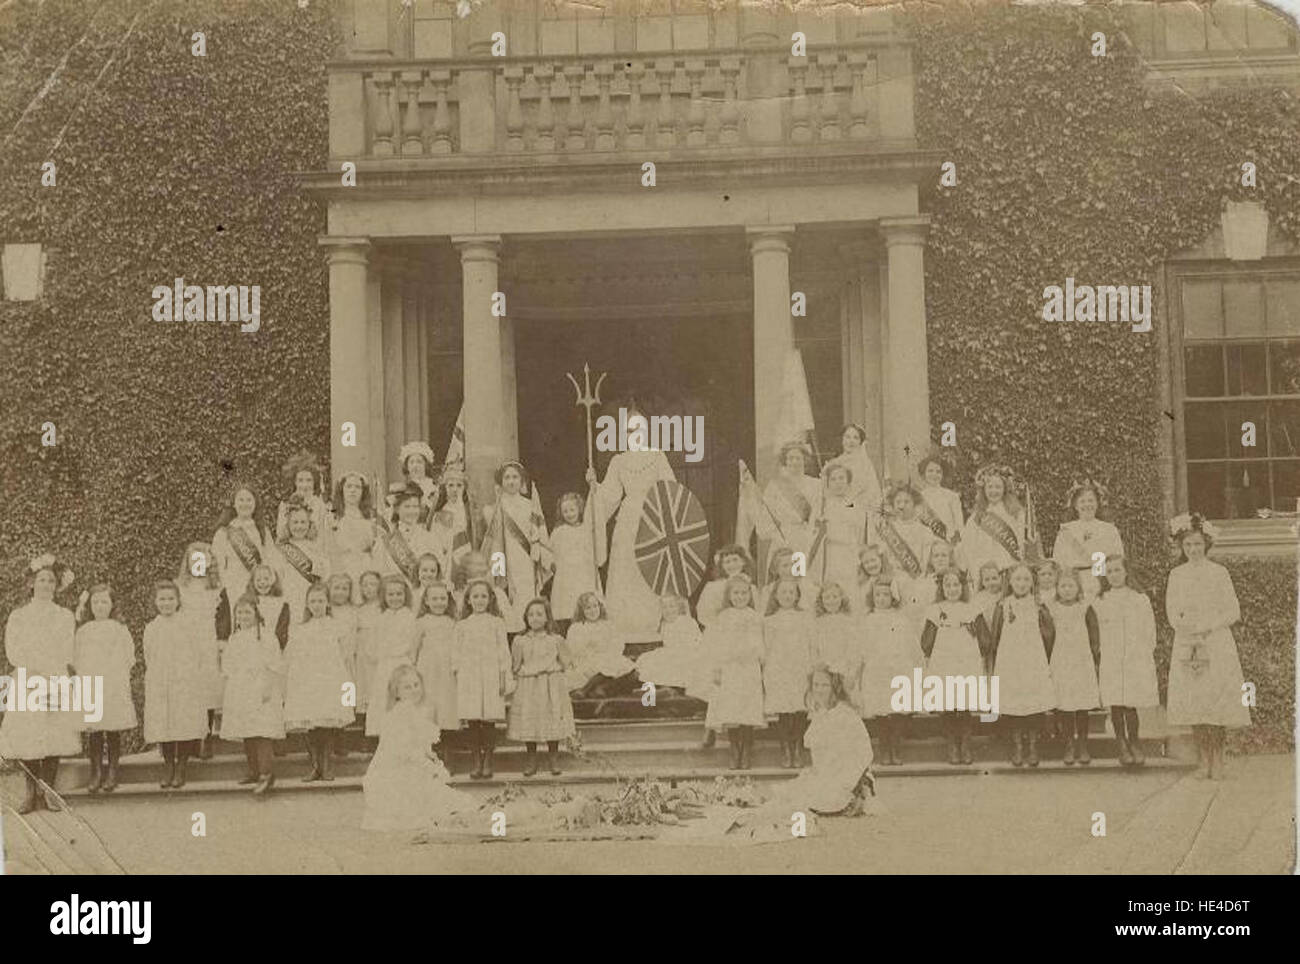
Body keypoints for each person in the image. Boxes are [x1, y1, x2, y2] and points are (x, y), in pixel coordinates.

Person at [1164, 515, 1249, 779]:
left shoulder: (1219, 572)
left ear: (1206, 545)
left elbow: (1233, 610)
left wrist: (1208, 626)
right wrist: (1187, 627)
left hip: (1216, 640)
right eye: (1188, 545)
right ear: (1182, 547)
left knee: (1216, 699)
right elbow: (1171, 612)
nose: (1193, 550)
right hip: (1188, 642)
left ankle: (1219, 759)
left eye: (1197, 544)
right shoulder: (1176, 574)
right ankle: (1203, 760)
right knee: (1195, 700)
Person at [585, 404, 677, 636]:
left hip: (653, 517)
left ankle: (654, 624)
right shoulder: (618, 461)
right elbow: (609, 496)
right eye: (629, 430)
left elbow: (669, 489)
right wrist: (594, 487)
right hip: (627, 519)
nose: (634, 433)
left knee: (650, 569)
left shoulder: (657, 456)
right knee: (626, 567)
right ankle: (625, 627)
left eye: (639, 428)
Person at [1, 554, 80, 813]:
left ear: (56, 586)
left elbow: (66, 648)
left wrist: (51, 673)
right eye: (42, 580)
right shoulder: (19, 615)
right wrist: (33, 671)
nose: (46, 584)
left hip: (54, 677)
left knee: (52, 734)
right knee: (29, 735)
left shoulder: (64, 616)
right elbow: (14, 648)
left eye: (51, 581)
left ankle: (48, 791)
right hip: (27, 679)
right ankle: (30, 791)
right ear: (32, 584)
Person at [362, 665, 476, 832]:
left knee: (447, 799)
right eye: (407, 687)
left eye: (416, 685)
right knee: (428, 806)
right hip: (397, 772)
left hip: (412, 765)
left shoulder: (415, 712)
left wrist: (433, 760)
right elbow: (406, 752)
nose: (414, 690)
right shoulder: (400, 714)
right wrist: (430, 768)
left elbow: (420, 746)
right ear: (396, 692)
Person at [283, 582, 354, 782]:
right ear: (307, 604)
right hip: (307, 681)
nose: (317, 605)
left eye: (321, 601)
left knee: (327, 722)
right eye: (313, 601)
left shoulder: (337, 626)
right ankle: (315, 765)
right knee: (310, 723)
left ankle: (327, 764)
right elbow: (293, 657)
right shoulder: (300, 629)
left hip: (330, 678)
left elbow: (345, 656)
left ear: (328, 602)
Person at [989, 564, 1056, 767]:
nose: (1022, 584)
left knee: (1033, 703)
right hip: (1010, 660)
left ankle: (1033, 745)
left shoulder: (1039, 605)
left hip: (1033, 660)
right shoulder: (1003, 605)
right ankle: (1017, 745)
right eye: (1017, 579)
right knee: (1014, 704)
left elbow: (1049, 634)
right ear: (1009, 582)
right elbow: (996, 635)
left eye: (1026, 579)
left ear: (1032, 583)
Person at [1094, 554, 1159, 767]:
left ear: (1126, 572)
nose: (1113, 575)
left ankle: (1134, 742)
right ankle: (1121, 743)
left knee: (1131, 703)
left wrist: (1143, 653)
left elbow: (1149, 631)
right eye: (1109, 571)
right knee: (1116, 703)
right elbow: (1096, 631)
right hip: (1111, 657)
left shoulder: (1139, 599)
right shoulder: (1100, 600)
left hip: (1134, 656)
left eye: (1117, 570)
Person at [143, 580, 208, 789]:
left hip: (184, 680)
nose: (167, 603)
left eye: (171, 599)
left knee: (183, 722)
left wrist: (187, 676)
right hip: (161, 680)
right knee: (165, 723)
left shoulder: (188, 624)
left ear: (178, 601)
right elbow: (149, 655)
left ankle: (181, 766)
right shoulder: (152, 628)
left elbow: (197, 653)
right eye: (162, 599)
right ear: (156, 602)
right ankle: (169, 765)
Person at [74, 584, 137, 794]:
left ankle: (112, 771)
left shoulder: (119, 629)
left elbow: (129, 658)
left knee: (112, 729)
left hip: (112, 683)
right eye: (96, 602)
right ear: (89, 606)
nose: (100, 606)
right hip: (92, 683)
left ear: (112, 604)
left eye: (104, 602)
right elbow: (76, 659)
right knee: (94, 731)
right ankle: (96, 772)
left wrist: (115, 676)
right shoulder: (83, 631)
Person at [221, 595, 286, 795]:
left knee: (261, 730)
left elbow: (274, 664)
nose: (243, 616)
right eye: (239, 612)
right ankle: (254, 770)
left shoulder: (266, 636)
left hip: (261, 687)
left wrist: (268, 687)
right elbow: (228, 664)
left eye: (247, 612)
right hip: (241, 687)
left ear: (256, 614)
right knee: (247, 729)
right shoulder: (235, 637)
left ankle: (267, 773)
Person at [920, 567, 986, 765]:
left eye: (956, 584)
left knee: (964, 704)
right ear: (941, 587)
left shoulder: (972, 608)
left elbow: (984, 639)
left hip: (966, 659)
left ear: (963, 586)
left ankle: (965, 744)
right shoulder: (935, 609)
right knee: (948, 703)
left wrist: (974, 632)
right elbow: (926, 642)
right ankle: (952, 745)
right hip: (944, 660)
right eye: (947, 585)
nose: (952, 589)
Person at [481, 460, 553, 634]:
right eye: (507, 478)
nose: (511, 481)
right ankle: (509, 633)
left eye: (515, 477)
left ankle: (528, 629)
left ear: (522, 482)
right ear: (501, 482)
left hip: (525, 556)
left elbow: (537, 533)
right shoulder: (493, 508)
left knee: (526, 591)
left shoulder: (530, 506)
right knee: (502, 590)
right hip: (502, 555)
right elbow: (493, 538)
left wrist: (538, 551)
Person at [507, 598, 576, 776]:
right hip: (528, 685)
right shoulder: (520, 641)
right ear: (526, 618)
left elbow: (567, 662)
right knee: (531, 719)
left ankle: (553, 757)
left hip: (550, 684)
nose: (535, 618)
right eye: (531, 614)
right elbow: (515, 665)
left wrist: (558, 674)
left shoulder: (556, 640)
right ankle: (531, 758)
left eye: (539, 614)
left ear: (547, 618)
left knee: (551, 717)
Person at [856, 580, 921, 766]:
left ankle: (896, 746)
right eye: (878, 595)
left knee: (898, 711)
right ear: (872, 598)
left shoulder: (901, 619)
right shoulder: (868, 621)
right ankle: (884, 747)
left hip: (898, 669)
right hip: (877, 671)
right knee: (881, 711)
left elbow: (911, 646)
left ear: (893, 597)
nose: (882, 599)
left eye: (886, 595)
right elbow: (862, 648)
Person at [453, 578, 513, 779]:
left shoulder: (496, 623)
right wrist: (458, 674)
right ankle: (475, 759)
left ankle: (488, 758)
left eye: (483, 596)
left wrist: (504, 677)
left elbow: (503, 652)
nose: (479, 600)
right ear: (468, 600)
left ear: (490, 599)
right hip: (469, 676)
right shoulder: (462, 625)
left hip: (490, 675)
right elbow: (456, 653)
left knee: (488, 720)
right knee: (473, 720)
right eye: (475, 596)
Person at [704, 577, 766, 770]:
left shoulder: (755, 617)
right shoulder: (723, 617)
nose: (740, 597)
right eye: (736, 593)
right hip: (730, 669)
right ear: (729, 596)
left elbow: (760, 643)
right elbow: (716, 645)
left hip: (748, 668)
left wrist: (760, 662)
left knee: (747, 710)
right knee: (732, 711)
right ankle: (734, 751)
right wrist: (717, 668)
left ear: (750, 595)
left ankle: (746, 751)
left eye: (744, 593)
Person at [1046, 568, 1101, 765]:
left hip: (1081, 661)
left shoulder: (1085, 607)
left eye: (1071, 585)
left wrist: (1095, 657)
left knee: (1082, 705)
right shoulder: (1051, 608)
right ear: (1057, 588)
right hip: (1061, 660)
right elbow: (1047, 635)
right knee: (1066, 704)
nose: (1067, 590)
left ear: (1078, 588)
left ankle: (1083, 745)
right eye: (1063, 586)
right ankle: (1069, 744)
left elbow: (1094, 633)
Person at [176, 541, 224, 758]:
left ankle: (206, 737)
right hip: (186, 640)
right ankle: (191, 738)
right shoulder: (180, 587)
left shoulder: (217, 587)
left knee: (208, 687)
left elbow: (224, 616)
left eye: (202, 560)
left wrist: (222, 640)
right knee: (189, 687)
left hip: (208, 639)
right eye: (194, 560)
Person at [763, 577, 814, 768]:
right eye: (783, 592)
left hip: (799, 666)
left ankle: (798, 746)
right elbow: (766, 647)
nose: (787, 596)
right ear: (776, 596)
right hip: (778, 668)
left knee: (800, 708)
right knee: (784, 710)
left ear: (797, 596)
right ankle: (785, 747)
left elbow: (810, 644)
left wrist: (811, 667)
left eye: (791, 592)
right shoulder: (769, 621)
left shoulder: (805, 618)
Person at [1053, 479, 1124, 600]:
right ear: (1075, 505)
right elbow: (1058, 561)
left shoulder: (1109, 529)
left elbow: (1118, 558)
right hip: (1074, 583)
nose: (1087, 505)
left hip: (1102, 581)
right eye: (1082, 501)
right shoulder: (1066, 531)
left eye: (1091, 500)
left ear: (1097, 503)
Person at [366, 574, 418, 738]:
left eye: (399, 594)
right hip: (385, 665)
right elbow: (373, 643)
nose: (395, 598)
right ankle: (387, 739)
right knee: (384, 699)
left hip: (403, 663)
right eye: (391, 595)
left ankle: (405, 738)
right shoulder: (381, 617)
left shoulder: (409, 616)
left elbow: (412, 642)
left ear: (405, 595)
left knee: (404, 699)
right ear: (384, 596)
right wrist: (379, 656)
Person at [212, 483, 277, 614]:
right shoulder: (224, 532)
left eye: (249, 500)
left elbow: (271, 559)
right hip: (233, 585)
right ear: (234, 504)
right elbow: (217, 563)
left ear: (255, 503)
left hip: (259, 585)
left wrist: (269, 582)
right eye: (241, 500)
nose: (245, 504)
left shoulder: (262, 531)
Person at [565, 592, 639, 699]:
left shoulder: (607, 625)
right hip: (588, 660)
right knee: (601, 668)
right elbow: (573, 649)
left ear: (600, 606)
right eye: (588, 608)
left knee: (633, 673)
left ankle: (599, 689)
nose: (593, 610)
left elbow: (617, 643)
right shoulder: (577, 628)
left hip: (608, 658)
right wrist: (590, 647)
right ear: (582, 611)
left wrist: (609, 653)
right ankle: (586, 690)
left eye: (595, 606)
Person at [549, 491, 603, 634]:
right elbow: (551, 554)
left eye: (572, 509)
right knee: (567, 607)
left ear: (579, 509)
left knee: (586, 605)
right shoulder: (559, 532)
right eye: (565, 511)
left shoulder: (586, 529)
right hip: (566, 577)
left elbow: (594, 551)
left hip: (584, 574)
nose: (569, 513)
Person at [811, 462, 867, 595]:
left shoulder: (855, 506)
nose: (838, 483)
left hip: (850, 553)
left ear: (848, 482)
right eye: (833, 479)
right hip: (830, 554)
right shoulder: (821, 507)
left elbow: (860, 535)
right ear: (828, 483)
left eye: (841, 478)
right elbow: (812, 534)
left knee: (850, 590)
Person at [414, 582, 460, 744]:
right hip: (427, 669)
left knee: (446, 705)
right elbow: (415, 647)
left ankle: (446, 749)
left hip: (447, 670)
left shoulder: (452, 622)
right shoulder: (421, 622)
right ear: (426, 601)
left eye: (443, 598)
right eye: (434, 599)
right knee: (428, 704)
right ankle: (429, 748)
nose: (439, 602)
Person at [329, 471, 384, 602]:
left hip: (366, 566)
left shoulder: (370, 517)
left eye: (357, 487)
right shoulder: (332, 515)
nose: (353, 490)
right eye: (349, 486)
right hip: (341, 566)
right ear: (342, 490)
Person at [961, 465, 1027, 574]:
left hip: (1007, 563)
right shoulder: (976, 516)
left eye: (998, 487)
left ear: (1004, 489)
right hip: (984, 566)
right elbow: (969, 546)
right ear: (984, 490)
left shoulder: (1015, 513)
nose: (994, 491)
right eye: (990, 487)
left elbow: (1019, 543)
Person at [377, 484, 440, 595]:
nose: (412, 511)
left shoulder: (430, 538)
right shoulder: (386, 541)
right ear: (396, 509)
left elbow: (439, 568)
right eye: (407, 507)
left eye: (415, 507)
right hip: (396, 597)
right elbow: (380, 571)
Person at [635, 593, 703, 694]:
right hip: (671, 652)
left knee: (674, 664)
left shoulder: (687, 621)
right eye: (664, 607)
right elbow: (667, 643)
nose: (668, 610)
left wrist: (684, 650)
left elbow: (697, 641)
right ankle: (657, 687)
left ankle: (670, 687)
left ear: (679, 607)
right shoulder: (665, 625)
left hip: (687, 653)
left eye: (672, 606)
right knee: (649, 659)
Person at [277, 501, 331, 622]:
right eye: (295, 522)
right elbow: (278, 576)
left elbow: (325, 573)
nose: (299, 526)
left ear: (309, 524)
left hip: (311, 598)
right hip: (289, 596)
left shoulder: (316, 547)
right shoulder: (282, 548)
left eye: (303, 522)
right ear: (288, 525)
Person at [430, 465, 479, 582]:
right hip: (449, 560)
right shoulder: (441, 514)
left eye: (459, 485)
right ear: (445, 488)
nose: (455, 489)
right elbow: (437, 543)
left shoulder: (471, 512)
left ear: (464, 488)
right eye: (450, 485)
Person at [829, 423, 883, 524]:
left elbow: (873, 493)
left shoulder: (865, 464)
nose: (851, 441)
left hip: (859, 513)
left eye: (855, 438)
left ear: (860, 442)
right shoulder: (834, 463)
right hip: (836, 511)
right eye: (847, 437)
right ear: (842, 439)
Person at [275, 451, 330, 545]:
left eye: (309, 480)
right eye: (300, 480)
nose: (305, 485)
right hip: (292, 552)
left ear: (314, 482)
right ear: (295, 482)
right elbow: (281, 534)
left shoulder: (320, 505)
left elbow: (324, 536)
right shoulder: (285, 505)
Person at [696, 545, 755, 627]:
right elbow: (703, 615)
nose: (732, 565)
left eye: (735, 560)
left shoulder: (751, 587)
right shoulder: (713, 587)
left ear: (743, 561)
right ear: (722, 566)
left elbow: (758, 612)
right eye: (727, 562)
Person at [915, 454, 964, 549]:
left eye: (938, 472)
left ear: (942, 475)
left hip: (948, 543)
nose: (934, 475)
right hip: (926, 545)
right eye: (930, 471)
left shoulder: (952, 496)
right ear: (924, 473)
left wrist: (954, 542)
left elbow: (959, 525)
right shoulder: (918, 498)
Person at [397, 441, 440, 523]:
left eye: (419, 462)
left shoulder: (434, 488)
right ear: (407, 467)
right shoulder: (403, 490)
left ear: (426, 465)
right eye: (411, 462)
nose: (415, 465)